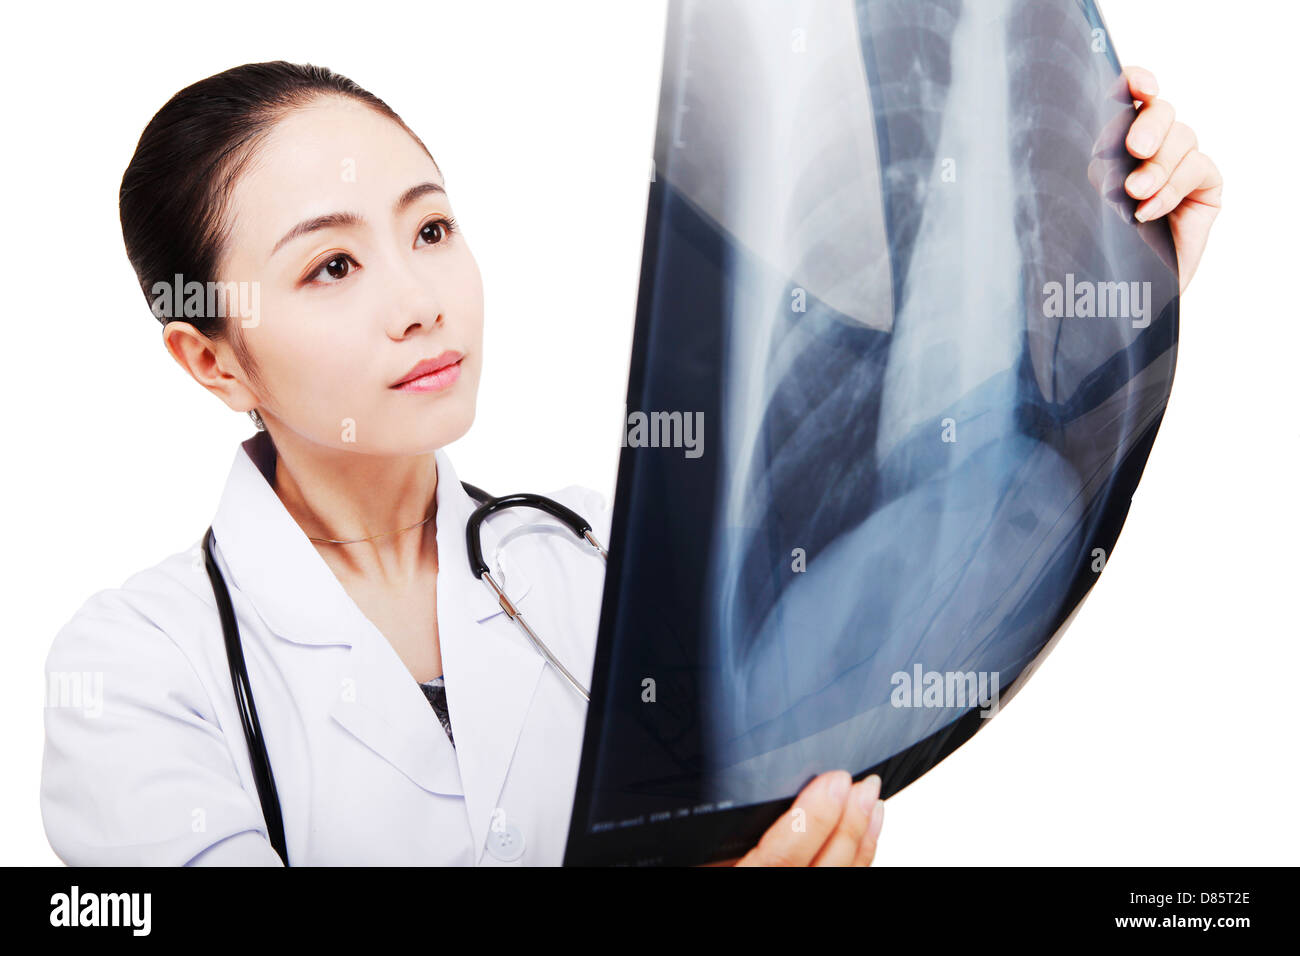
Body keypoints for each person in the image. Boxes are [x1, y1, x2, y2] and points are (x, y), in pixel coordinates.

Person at [39, 60, 1218, 867]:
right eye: (330, 268)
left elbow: (922, 524)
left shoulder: (605, 554)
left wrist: (1119, 267)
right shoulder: (142, 668)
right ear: (210, 359)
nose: (417, 301)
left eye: (432, 229)